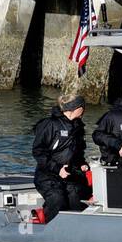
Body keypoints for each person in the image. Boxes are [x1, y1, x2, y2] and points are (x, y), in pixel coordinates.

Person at [32, 93, 92, 222]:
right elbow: (38, 152)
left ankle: (75, 230)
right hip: (48, 175)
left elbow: (78, 152)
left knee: (76, 200)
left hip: (70, 175)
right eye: (83, 107)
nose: (85, 111)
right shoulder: (50, 125)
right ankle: (48, 231)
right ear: (76, 108)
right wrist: (58, 169)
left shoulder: (78, 126)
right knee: (57, 199)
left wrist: (82, 163)